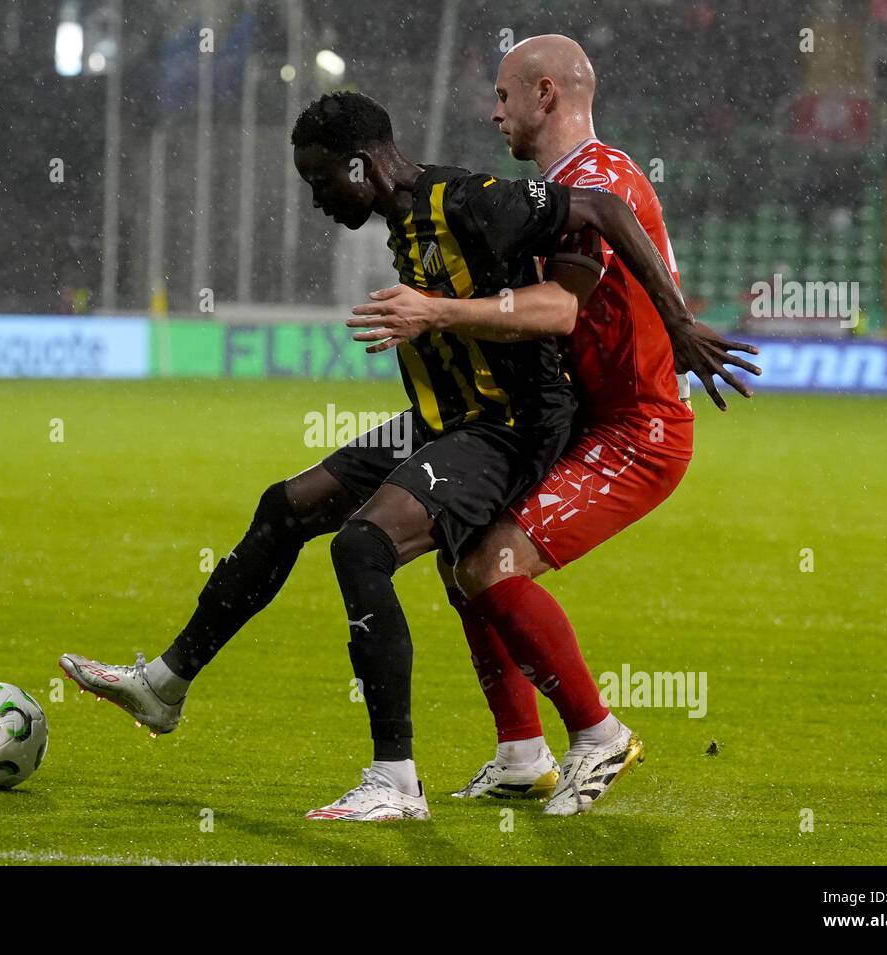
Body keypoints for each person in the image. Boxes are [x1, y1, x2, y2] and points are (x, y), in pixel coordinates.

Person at [60, 90, 732, 821]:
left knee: (364, 547)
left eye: (321, 181)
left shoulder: (470, 198)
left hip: (508, 428)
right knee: (286, 505)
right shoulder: (408, 222)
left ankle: (396, 779)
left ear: (361, 163)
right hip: (443, 421)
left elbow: (603, 213)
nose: (317, 200)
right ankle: (164, 685)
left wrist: (678, 321)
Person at [347, 35, 760, 815]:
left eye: (504, 95)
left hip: (637, 432)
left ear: (546, 94)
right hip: (585, 420)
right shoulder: (570, 185)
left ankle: (600, 735)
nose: (492, 109)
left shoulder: (598, 183)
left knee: (491, 565)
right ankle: (520, 752)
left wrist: (436, 311)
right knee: (460, 549)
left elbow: (558, 310)